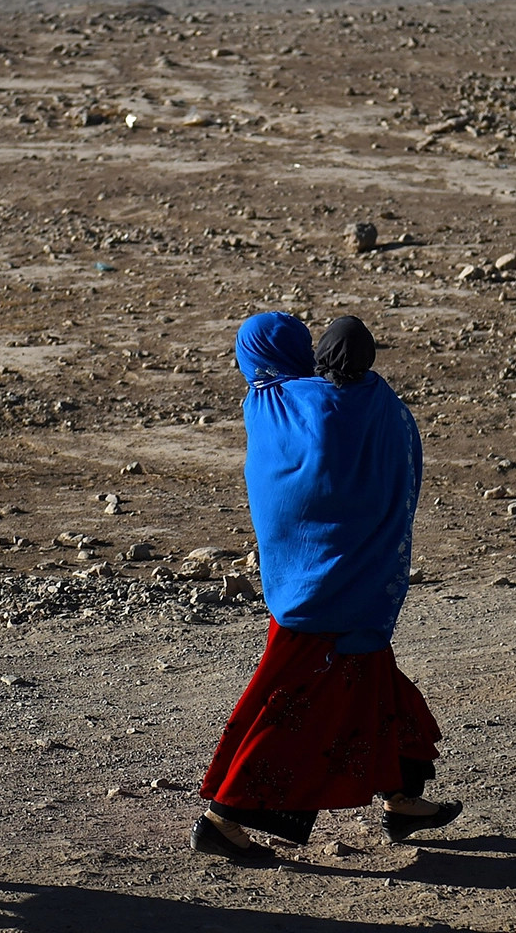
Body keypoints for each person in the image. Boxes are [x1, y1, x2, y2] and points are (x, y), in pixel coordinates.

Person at [191, 313, 462, 865]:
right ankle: (223, 818)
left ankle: (402, 797)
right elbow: (401, 466)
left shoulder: (269, 406)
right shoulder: (374, 404)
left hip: (302, 584)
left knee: (370, 689)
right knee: (290, 710)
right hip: (348, 589)